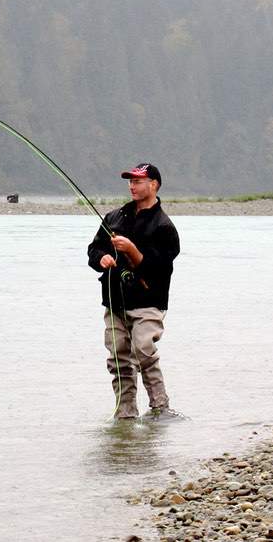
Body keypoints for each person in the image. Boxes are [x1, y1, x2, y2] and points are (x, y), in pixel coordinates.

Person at [86, 163, 180, 420]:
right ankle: (125, 414)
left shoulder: (165, 227)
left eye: (138, 181)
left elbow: (159, 268)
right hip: (114, 300)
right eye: (130, 181)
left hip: (149, 301)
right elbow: (93, 250)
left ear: (154, 185)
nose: (132, 185)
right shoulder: (113, 217)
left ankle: (160, 408)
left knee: (143, 350)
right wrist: (102, 257)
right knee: (118, 357)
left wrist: (131, 249)